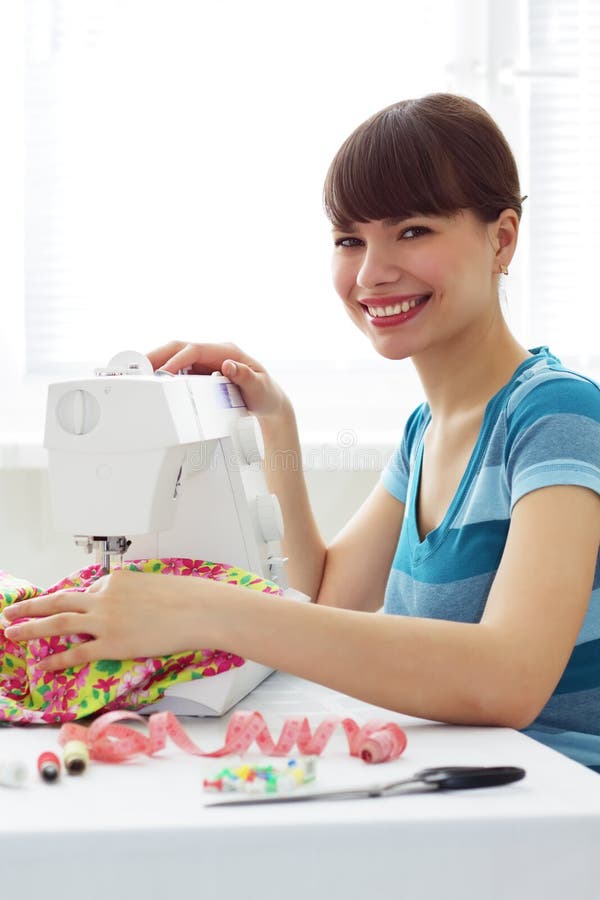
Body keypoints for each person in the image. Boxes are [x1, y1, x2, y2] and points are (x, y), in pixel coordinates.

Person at [5, 94, 600, 770]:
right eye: (350, 240)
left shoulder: (558, 417)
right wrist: (274, 417)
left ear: (502, 239)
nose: (372, 272)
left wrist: (206, 610)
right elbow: (325, 589)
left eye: (412, 231)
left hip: (565, 805)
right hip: (478, 790)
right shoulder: (427, 432)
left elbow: (508, 680)